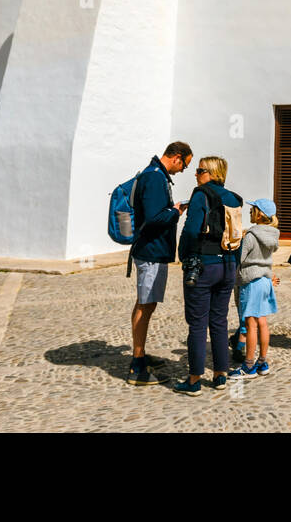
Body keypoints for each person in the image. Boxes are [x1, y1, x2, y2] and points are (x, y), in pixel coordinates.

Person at [173, 155, 243, 395]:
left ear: (213, 173)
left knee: (197, 323)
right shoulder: (233, 198)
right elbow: (238, 235)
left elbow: (191, 230)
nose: (196, 174)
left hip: (204, 264)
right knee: (219, 321)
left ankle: (194, 380)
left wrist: (183, 255)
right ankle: (220, 375)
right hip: (228, 265)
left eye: (201, 170)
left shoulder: (201, 195)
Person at [127, 141, 193, 386]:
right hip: (150, 252)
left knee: (147, 303)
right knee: (145, 304)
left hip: (152, 251)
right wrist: (176, 212)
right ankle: (137, 364)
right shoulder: (155, 178)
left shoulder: (155, 174)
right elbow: (154, 218)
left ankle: (140, 353)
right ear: (176, 157)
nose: (183, 170)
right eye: (184, 165)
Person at [228, 199, 282, 379]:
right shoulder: (273, 235)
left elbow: (241, 258)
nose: (250, 212)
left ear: (259, 214)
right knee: (262, 323)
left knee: (250, 323)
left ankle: (248, 365)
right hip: (265, 281)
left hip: (251, 282)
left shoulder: (251, 236)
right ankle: (262, 362)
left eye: (252, 210)